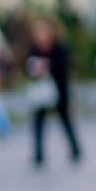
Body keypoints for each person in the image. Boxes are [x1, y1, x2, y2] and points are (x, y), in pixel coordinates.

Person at [25, 17, 81, 168]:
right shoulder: (35, 49)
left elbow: (66, 67)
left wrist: (49, 66)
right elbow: (28, 67)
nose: (39, 35)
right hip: (42, 92)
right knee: (38, 122)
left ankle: (75, 149)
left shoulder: (59, 48)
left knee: (65, 120)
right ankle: (39, 154)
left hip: (59, 91)